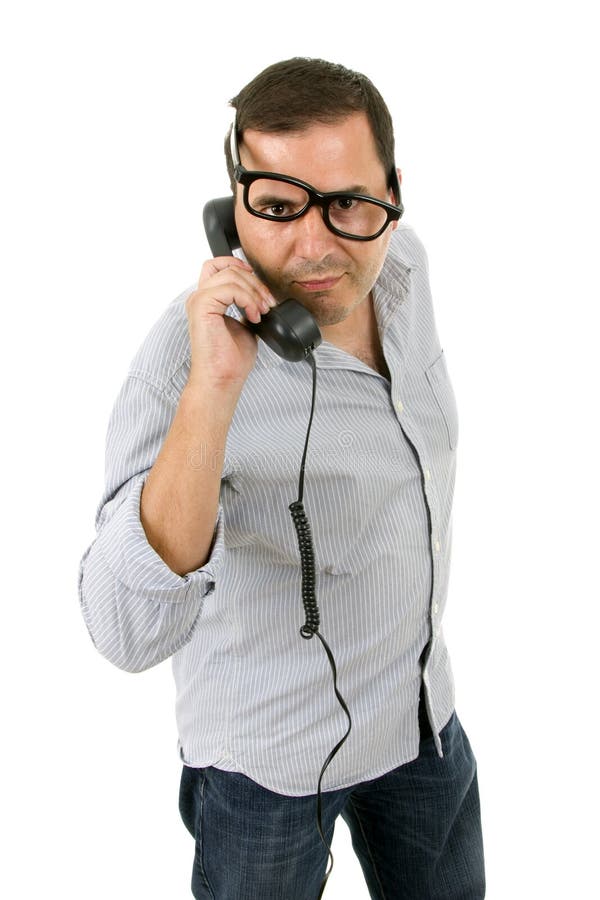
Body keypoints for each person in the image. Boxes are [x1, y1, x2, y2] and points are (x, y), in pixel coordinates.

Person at [78, 57, 485, 899]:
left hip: (418, 714)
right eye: (276, 207)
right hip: (267, 766)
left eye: (349, 204)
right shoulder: (180, 367)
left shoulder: (403, 273)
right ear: (235, 210)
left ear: (393, 193)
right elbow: (122, 629)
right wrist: (215, 394)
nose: (315, 244)